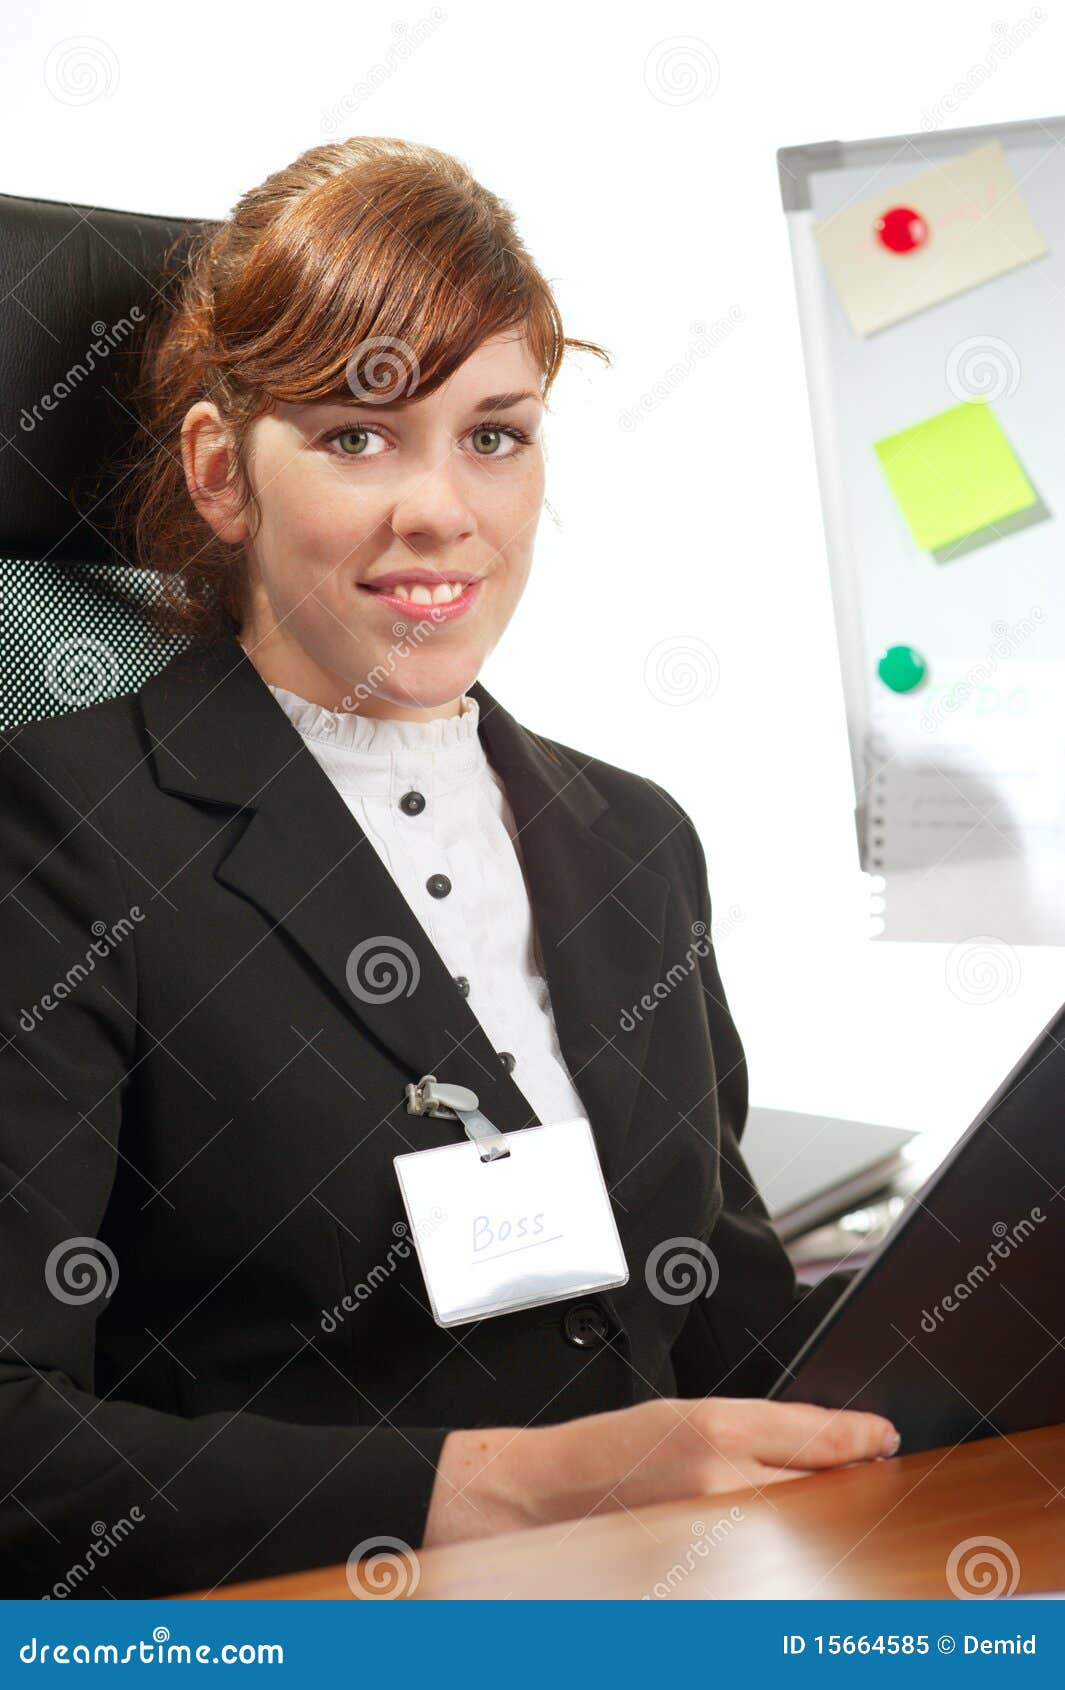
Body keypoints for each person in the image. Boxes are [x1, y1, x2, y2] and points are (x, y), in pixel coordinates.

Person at [0, 136, 898, 1600]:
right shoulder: (57, 830)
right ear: (225, 475)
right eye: (357, 436)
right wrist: (505, 1485)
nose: (442, 511)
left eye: (494, 433)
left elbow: (728, 1336)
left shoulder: (635, 840)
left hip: (677, 1612)